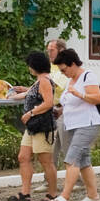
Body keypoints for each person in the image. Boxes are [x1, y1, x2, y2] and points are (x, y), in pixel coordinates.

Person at [47, 48, 100, 201]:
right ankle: (93, 196)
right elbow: (69, 102)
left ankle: (65, 196)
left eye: (64, 69)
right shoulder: (70, 81)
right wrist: (59, 111)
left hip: (87, 124)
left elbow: (97, 98)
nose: (63, 73)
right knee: (83, 161)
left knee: (71, 159)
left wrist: (79, 94)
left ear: (72, 64)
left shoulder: (88, 76)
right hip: (72, 125)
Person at [9, 52, 59, 201]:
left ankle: (52, 194)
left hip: (42, 126)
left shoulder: (44, 81)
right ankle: (25, 193)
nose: (29, 68)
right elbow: (29, 94)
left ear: (35, 66)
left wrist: (30, 113)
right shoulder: (39, 81)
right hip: (32, 127)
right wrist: (11, 95)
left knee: (45, 161)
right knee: (23, 157)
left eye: (30, 65)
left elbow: (48, 103)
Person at [45, 38, 71, 168]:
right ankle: (49, 181)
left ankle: (77, 180)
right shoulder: (50, 66)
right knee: (51, 149)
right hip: (51, 111)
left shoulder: (65, 66)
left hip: (64, 111)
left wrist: (30, 90)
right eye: (48, 50)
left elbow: (53, 85)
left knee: (67, 148)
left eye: (52, 50)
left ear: (61, 50)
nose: (48, 53)